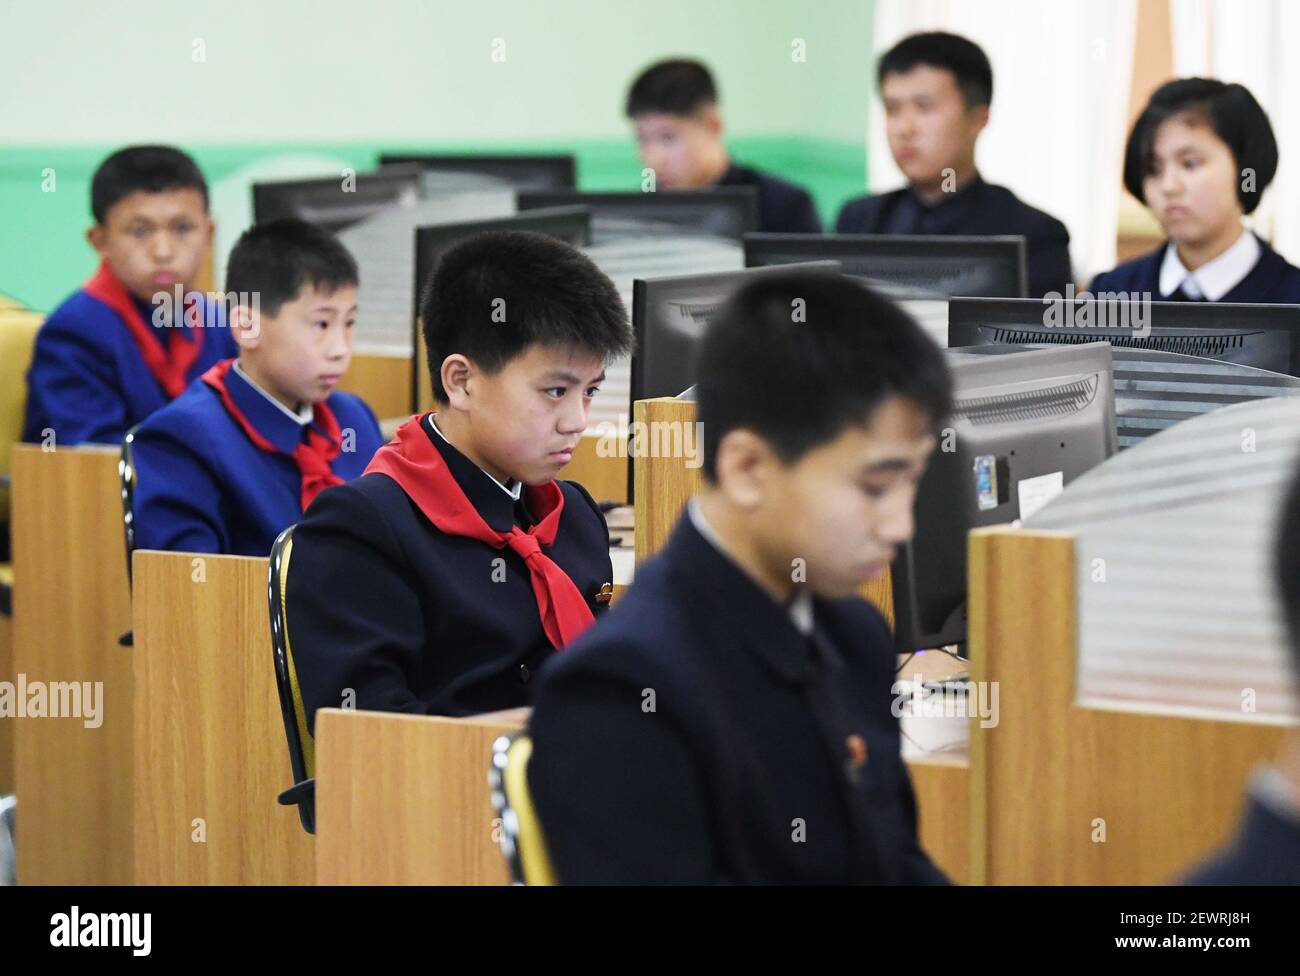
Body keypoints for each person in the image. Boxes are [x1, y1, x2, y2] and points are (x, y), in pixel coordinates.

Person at [528, 269, 953, 883]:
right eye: (875, 486)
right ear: (749, 468)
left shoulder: (854, 633)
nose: (900, 525)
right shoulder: (622, 686)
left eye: (912, 483)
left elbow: (896, 867)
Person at [287, 231, 632, 726]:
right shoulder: (363, 528)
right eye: (555, 391)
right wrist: (564, 725)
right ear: (461, 381)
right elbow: (368, 738)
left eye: (590, 392)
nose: (577, 420)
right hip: (443, 796)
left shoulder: (573, 514)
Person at [129, 218, 383, 556]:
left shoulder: (353, 417)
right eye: (321, 323)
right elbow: (187, 595)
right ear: (247, 326)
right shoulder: (182, 437)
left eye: (348, 322)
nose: (340, 348)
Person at [23, 145, 235, 446]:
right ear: (100, 241)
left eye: (183, 228)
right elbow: (94, 454)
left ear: (209, 233)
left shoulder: (219, 323)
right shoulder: (73, 332)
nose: (163, 251)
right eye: (140, 231)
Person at [836, 32, 1072, 297]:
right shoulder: (859, 220)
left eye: (924, 107)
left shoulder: (1033, 236)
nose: (904, 128)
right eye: (892, 109)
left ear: (978, 119)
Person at [1090, 78, 1300, 303]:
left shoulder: (1291, 297)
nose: (1169, 186)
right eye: (1153, 169)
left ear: (1246, 170)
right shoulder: (1111, 293)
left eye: (1190, 163)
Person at [626, 58, 822, 234]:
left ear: (713, 125)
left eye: (668, 138)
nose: (653, 159)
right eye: (642, 139)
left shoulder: (783, 206)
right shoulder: (634, 214)